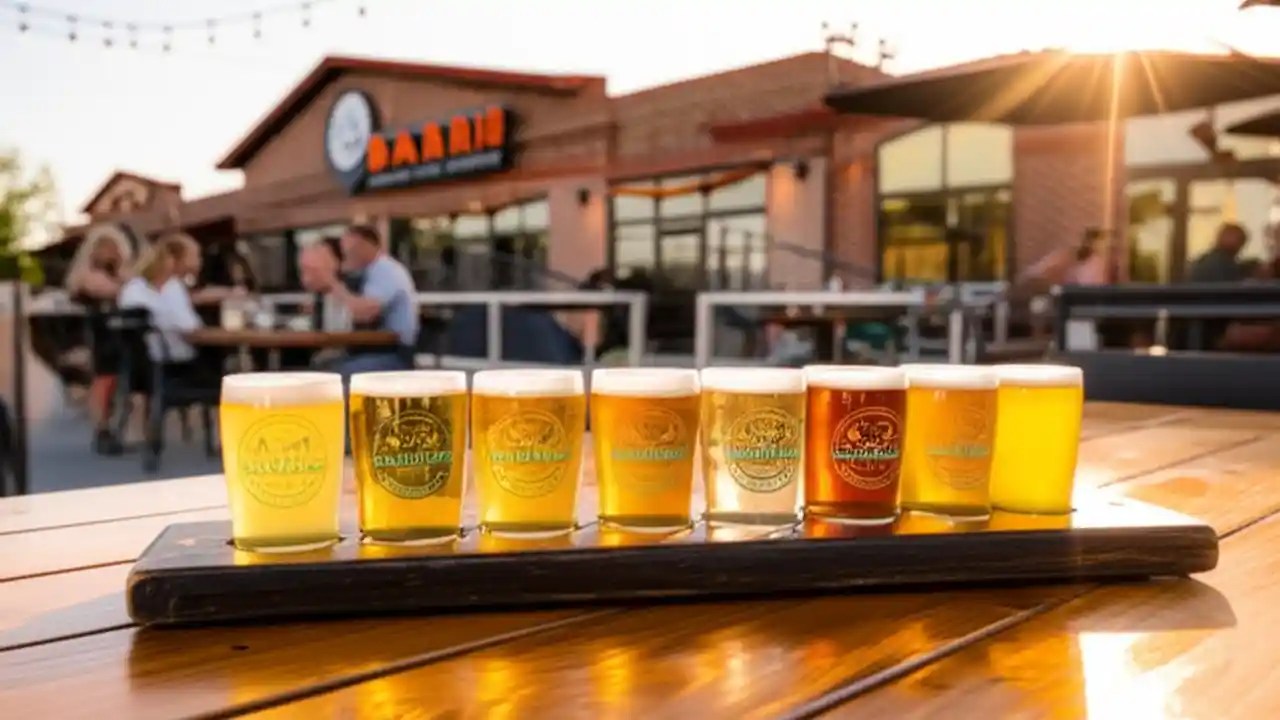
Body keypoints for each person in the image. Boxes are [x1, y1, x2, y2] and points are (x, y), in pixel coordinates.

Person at [311, 224, 419, 379]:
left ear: (366, 246)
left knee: (339, 374)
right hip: (377, 349)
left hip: (395, 353)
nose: (346, 256)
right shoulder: (372, 271)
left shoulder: (386, 270)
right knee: (322, 363)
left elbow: (364, 313)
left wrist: (333, 283)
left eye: (350, 250)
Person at [65, 230, 132, 453]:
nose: (111, 253)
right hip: (96, 333)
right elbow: (111, 291)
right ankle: (101, 428)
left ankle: (112, 427)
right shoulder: (88, 275)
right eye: (106, 248)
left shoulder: (116, 274)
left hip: (112, 333)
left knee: (113, 380)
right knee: (104, 380)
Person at [118, 234, 204, 371]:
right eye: (196, 256)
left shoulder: (171, 286)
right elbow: (190, 330)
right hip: (170, 367)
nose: (199, 263)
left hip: (151, 367)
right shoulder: (164, 288)